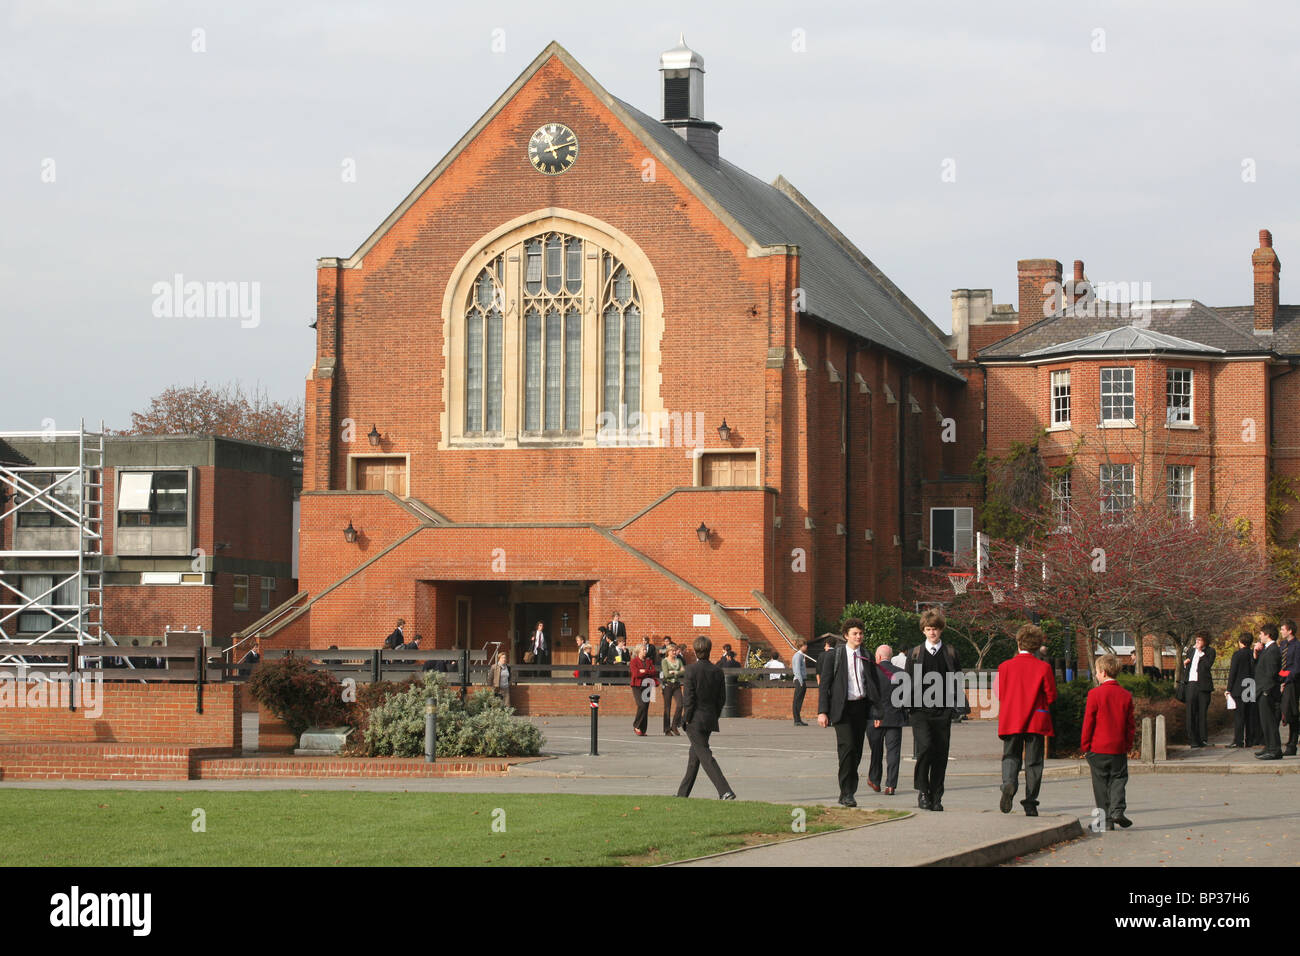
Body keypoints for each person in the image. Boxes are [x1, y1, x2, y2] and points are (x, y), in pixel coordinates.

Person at [996, 624, 1057, 816]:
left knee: (1011, 756)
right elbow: (1052, 695)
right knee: (1034, 763)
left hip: (1012, 718)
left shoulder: (1005, 666)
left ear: (1018, 641)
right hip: (1035, 720)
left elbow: (1000, 693)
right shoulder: (1044, 667)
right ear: (1038, 645)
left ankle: (1009, 783)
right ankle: (1030, 802)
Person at [817, 616, 879, 807]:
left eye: (861, 633)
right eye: (855, 634)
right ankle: (847, 792)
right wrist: (823, 711)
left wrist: (878, 712)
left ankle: (848, 790)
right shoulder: (833, 656)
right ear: (846, 636)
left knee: (858, 751)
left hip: (860, 708)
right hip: (842, 710)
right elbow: (825, 685)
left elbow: (874, 685)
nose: (859, 636)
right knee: (847, 749)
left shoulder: (867, 655)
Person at [907, 607, 963, 811]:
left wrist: (956, 707)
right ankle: (923, 791)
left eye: (936, 629)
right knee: (925, 748)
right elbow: (907, 682)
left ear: (941, 630)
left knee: (941, 753)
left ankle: (936, 795)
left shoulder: (950, 652)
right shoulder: (914, 653)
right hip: (920, 710)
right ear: (923, 630)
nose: (932, 632)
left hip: (943, 710)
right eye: (929, 629)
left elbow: (957, 679)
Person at [675, 635, 736, 800]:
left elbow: (689, 699)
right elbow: (721, 698)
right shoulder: (717, 671)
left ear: (695, 651)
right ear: (709, 650)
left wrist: (685, 719)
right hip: (709, 717)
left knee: (704, 755)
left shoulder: (690, 670)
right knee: (695, 756)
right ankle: (682, 794)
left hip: (695, 719)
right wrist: (714, 714)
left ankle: (725, 790)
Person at [1081, 653, 1136, 829]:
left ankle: (1105, 820)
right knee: (1118, 779)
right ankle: (1118, 809)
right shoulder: (1126, 695)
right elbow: (1130, 725)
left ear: (1103, 672)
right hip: (1118, 746)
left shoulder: (1094, 694)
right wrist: (1128, 744)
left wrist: (1085, 745)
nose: (1096, 674)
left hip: (1098, 747)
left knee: (1100, 784)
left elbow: (1089, 722)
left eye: (1097, 671)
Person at [867, 644, 905, 795]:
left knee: (876, 751)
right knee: (893, 752)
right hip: (895, 718)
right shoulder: (901, 673)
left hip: (875, 718)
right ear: (890, 657)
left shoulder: (872, 673)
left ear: (878, 657)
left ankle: (875, 780)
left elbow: (870, 696)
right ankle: (891, 785)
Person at [1255, 624, 1284, 760]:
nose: (1260, 636)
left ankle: (1274, 749)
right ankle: (1269, 746)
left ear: (1268, 635)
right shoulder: (1267, 649)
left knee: (1270, 721)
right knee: (1264, 721)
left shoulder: (1273, 650)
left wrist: (1266, 690)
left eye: (1261, 634)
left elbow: (1272, 672)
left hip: (1267, 691)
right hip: (1263, 690)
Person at [1182, 632, 1215, 748]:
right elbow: (1188, 668)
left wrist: (1201, 652)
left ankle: (1203, 739)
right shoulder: (1191, 651)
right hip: (1191, 684)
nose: (1197, 643)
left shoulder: (1210, 652)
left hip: (1203, 685)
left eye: (1200, 640)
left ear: (1205, 641)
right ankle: (1192, 739)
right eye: (1196, 640)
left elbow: (1207, 665)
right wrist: (1185, 664)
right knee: (1191, 712)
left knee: (1202, 713)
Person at [1227, 632, 1254, 748]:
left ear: (1240, 642)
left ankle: (1238, 740)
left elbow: (1233, 672)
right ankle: (1250, 739)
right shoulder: (1253, 654)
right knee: (1249, 715)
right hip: (1250, 686)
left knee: (1239, 716)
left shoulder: (1237, 655)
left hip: (1238, 687)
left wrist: (1228, 689)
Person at [1280, 620, 1300, 755]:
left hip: (1292, 683)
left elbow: (1295, 668)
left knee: (1291, 713)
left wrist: (1285, 680)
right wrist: (1280, 677)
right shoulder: (1282, 645)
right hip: (1281, 681)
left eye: (1283, 629)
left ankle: (1292, 743)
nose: (1281, 631)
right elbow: (1280, 665)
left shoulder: (1297, 646)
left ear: (1290, 630)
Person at [629, 643, 658, 736]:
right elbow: (636, 674)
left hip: (648, 685)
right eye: (643, 650)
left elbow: (654, 672)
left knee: (645, 707)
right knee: (641, 705)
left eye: (645, 649)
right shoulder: (634, 661)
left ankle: (643, 729)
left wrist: (644, 671)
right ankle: (636, 725)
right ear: (638, 651)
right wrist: (646, 672)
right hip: (637, 686)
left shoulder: (649, 661)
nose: (645, 651)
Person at [660, 641, 686, 735]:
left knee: (680, 704)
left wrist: (675, 672)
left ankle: (674, 725)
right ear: (668, 652)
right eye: (672, 651)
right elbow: (666, 674)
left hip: (676, 685)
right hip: (667, 685)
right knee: (667, 707)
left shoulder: (678, 661)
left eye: (675, 651)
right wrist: (677, 671)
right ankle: (667, 729)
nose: (674, 652)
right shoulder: (665, 661)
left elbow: (683, 671)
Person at [791, 639, 810, 726]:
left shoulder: (801, 655)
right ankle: (797, 720)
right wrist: (801, 681)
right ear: (801, 646)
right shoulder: (798, 656)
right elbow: (797, 670)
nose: (806, 646)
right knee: (797, 700)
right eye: (805, 645)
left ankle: (798, 719)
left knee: (799, 700)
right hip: (799, 680)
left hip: (801, 680)